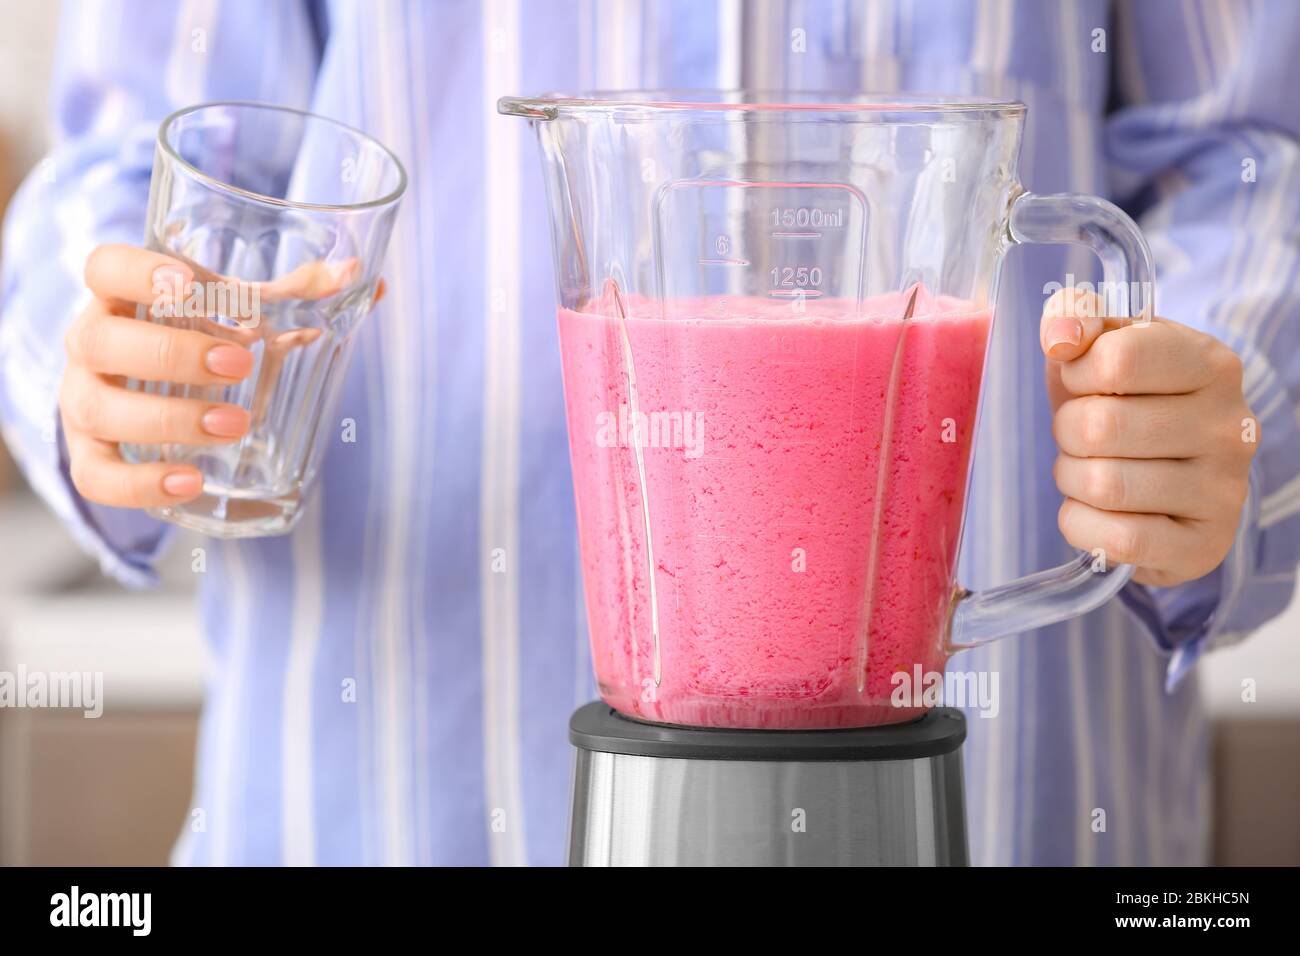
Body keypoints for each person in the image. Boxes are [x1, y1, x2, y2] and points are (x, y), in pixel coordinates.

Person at [1, 0, 1297, 866]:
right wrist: (119, 347)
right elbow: (143, 150)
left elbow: (1254, 151)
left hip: (1020, 804)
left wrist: (1213, 407)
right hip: (378, 805)